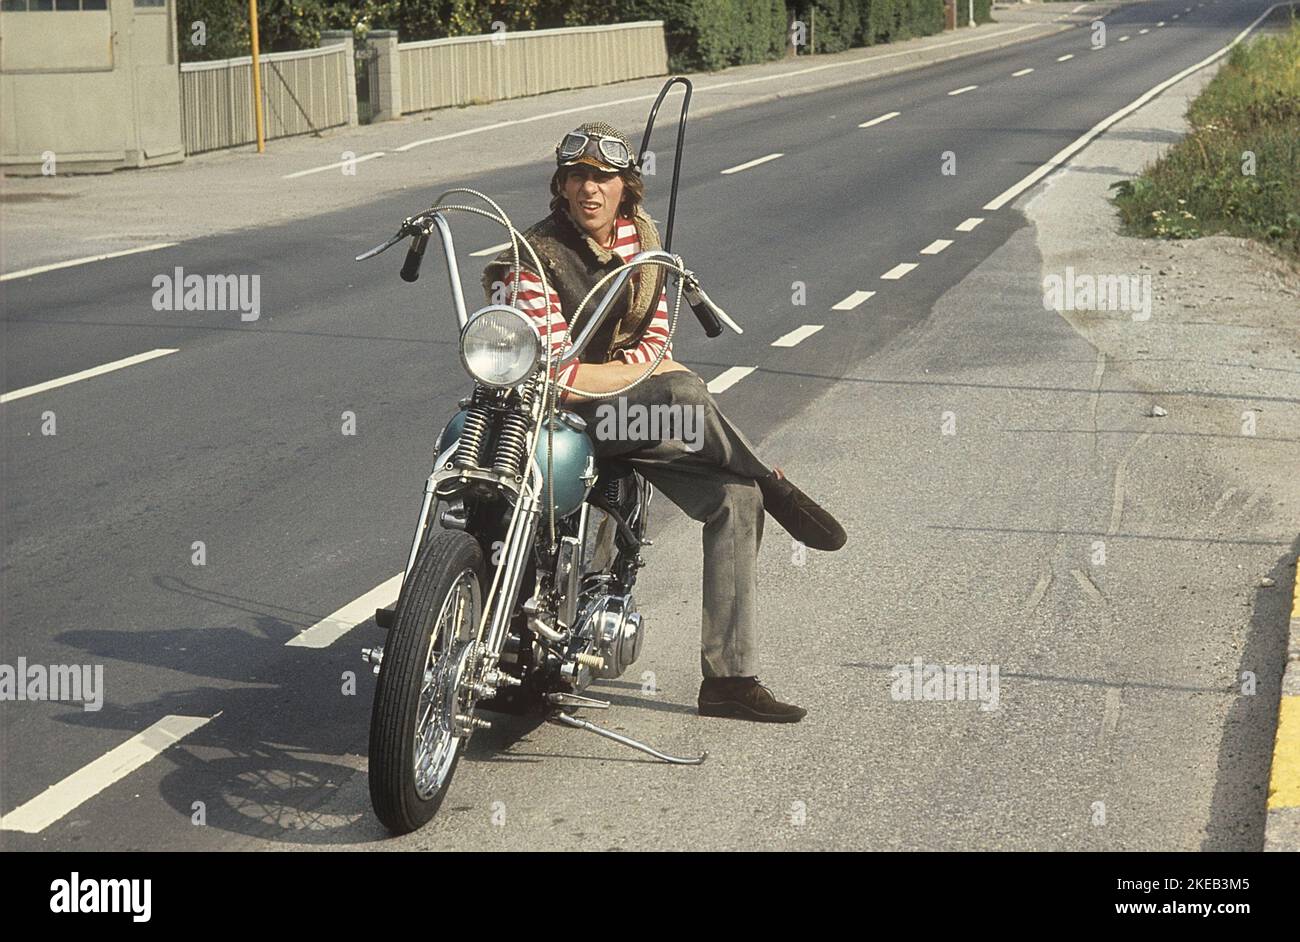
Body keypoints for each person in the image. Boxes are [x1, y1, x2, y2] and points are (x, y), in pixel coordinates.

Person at [482, 121, 845, 723]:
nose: (588, 190)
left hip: (620, 419)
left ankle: (729, 681)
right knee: (683, 390)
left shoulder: (646, 246)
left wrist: (626, 372)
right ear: (561, 186)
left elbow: (653, 342)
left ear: (626, 187)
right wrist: (627, 374)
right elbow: (551, 374)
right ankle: (776, 481)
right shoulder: (533, 257)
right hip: (556, 422)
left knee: (735, 495)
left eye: (602, 178)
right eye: (576, 177)